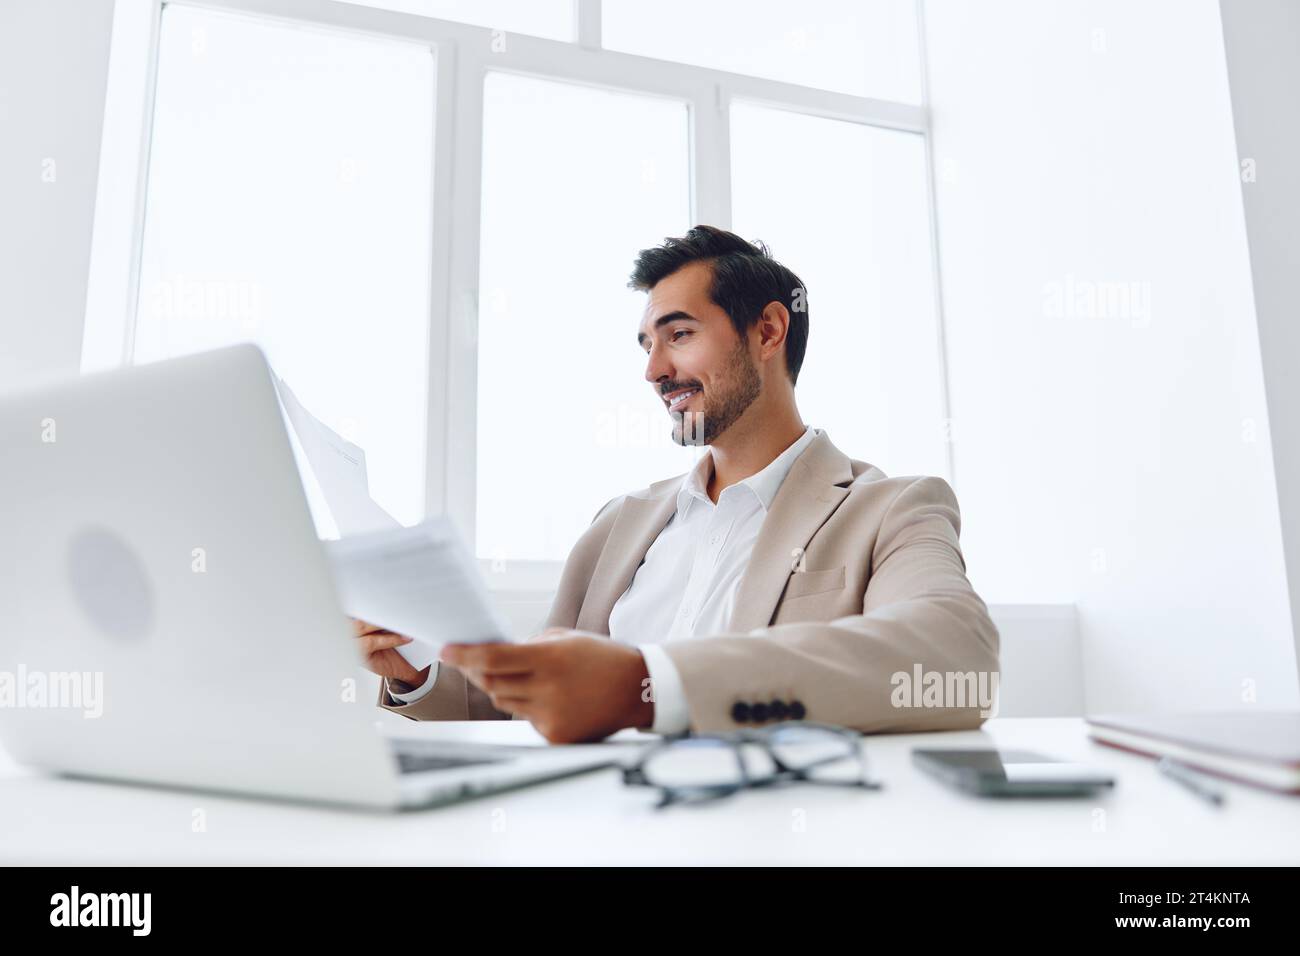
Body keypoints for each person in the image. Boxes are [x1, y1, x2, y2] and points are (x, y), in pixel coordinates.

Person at [357, 225, 999, 743]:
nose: (654, 371)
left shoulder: (890, 509)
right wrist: (419, 672)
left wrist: (646, 682)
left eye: (679, 335)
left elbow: (954, 659)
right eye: (645, 345)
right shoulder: (619, 523)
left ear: (769, 331)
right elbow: (534, 712)